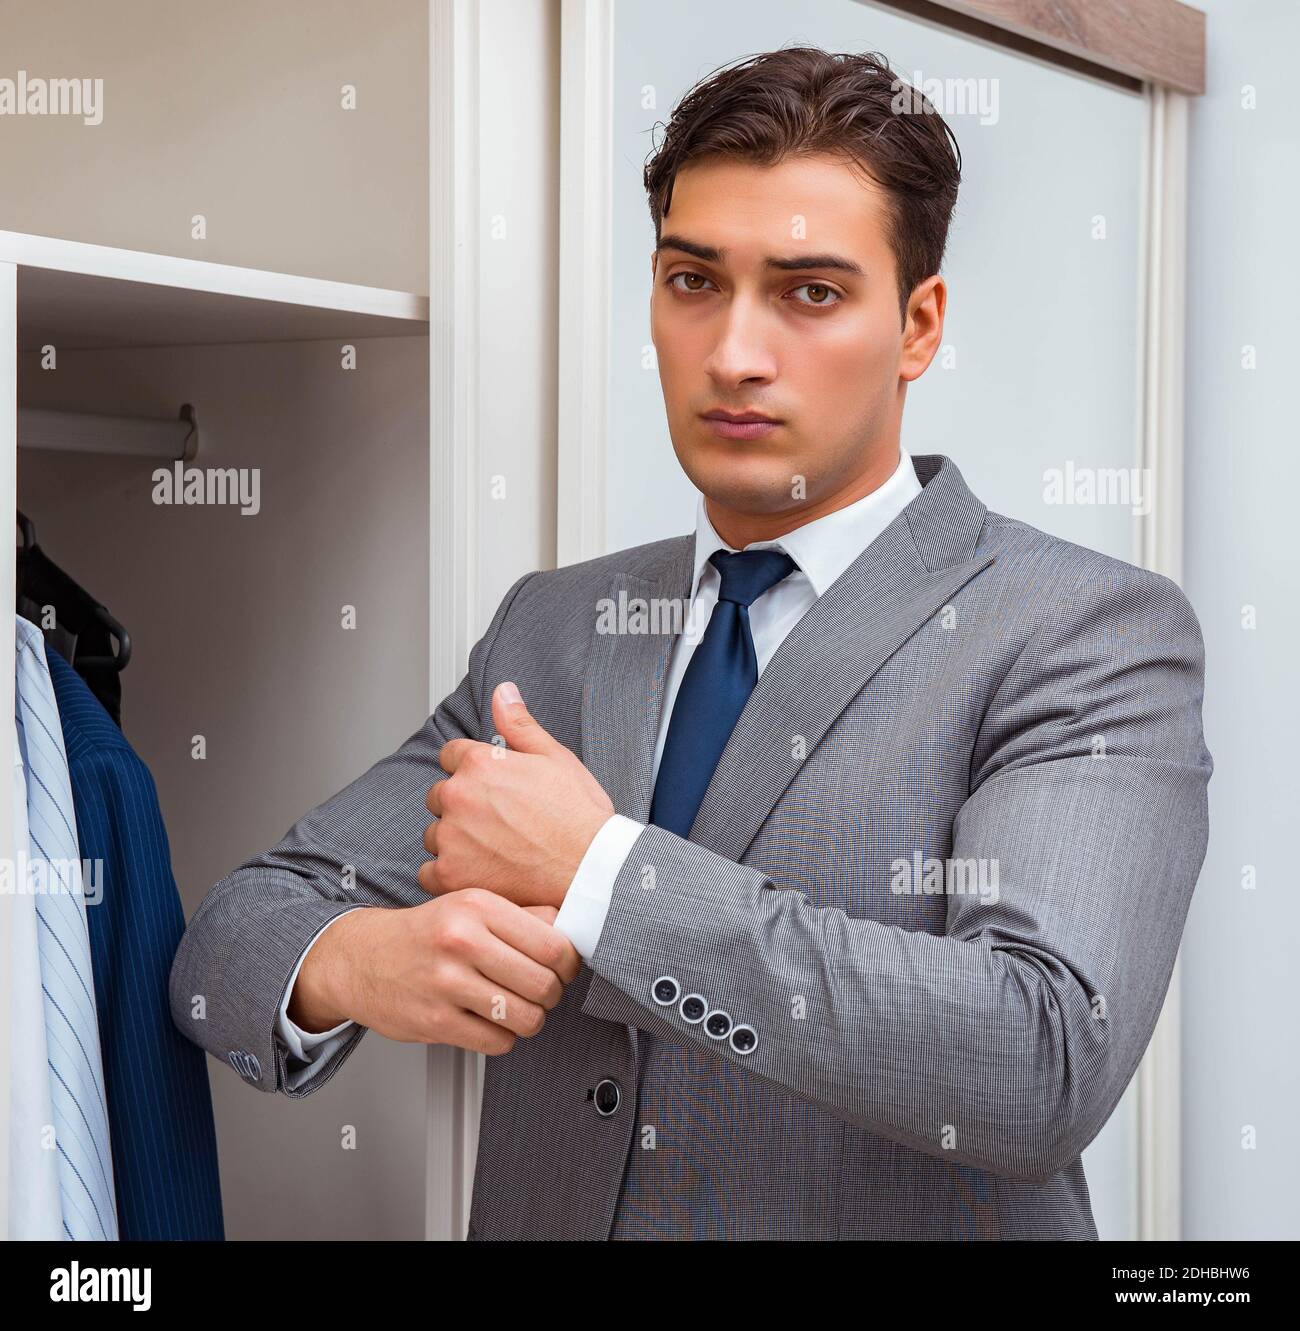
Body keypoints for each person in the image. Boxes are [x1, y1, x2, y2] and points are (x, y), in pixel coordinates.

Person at [170, 46, 1212, 1240]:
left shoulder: (1079, 629)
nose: (733, 354)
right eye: (693, 281)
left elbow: (1037, 1061)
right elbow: (231, 939)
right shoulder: (556, 628)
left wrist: (603, 875)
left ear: (918, 326)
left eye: (810, 291)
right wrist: (355, 961)